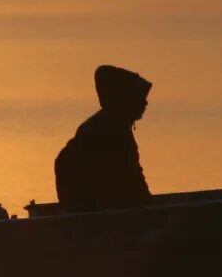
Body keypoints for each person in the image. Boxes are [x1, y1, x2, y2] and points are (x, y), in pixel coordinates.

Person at [54, 65, 152, 210]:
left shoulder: (120, 126)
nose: (145, 103)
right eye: (139, 98)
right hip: (86, 205)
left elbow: (133, 176)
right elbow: (127, 177)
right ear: (125, 100)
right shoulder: (107, 130)